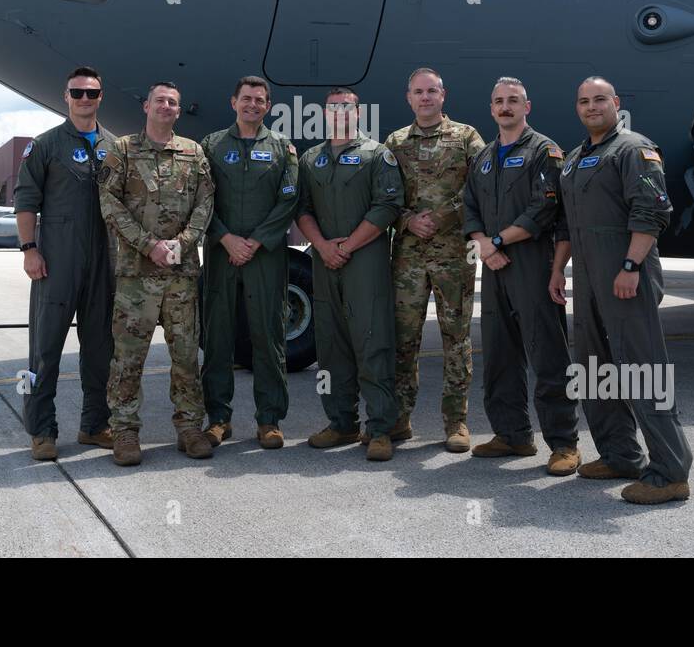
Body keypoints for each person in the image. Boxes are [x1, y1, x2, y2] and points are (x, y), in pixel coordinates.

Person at [551, 76, 693, 504]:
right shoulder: (575, 158)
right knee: (594, 368)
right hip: (589, 278)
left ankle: (670, 472)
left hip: (625, 271)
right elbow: (566, 223)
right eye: (583, 101)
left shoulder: (633, 149)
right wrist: (559, 270)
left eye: (599, 100)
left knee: (642, 368)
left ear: (616, 103)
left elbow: (652, 210)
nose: (591, 107)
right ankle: (619, 455)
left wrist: (631, 265)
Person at [463, 77, 581, 475]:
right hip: (494, 267)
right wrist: (483, 243)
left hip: (532, 263)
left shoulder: (543, 152)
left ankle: (564, 443)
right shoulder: (483, 157)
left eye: (513, 101)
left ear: (526, 107)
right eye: (499, 101)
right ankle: (512, 434)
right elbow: (468, 206)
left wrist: (495, 241)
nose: (505, 107)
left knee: (547, 354)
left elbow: (543, 210)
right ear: (491, 108)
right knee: (499, 354)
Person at [99, 81, 215, 466]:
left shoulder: (193, 152)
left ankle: (190, 428)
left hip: (181, 276)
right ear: (146, 106)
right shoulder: (123, 150)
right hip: (136, 276)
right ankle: (126, 431)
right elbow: (109, 203)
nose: (166, 107)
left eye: (173, 103)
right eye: (160, 101)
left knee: (185, 357)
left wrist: (181, 244)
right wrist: (149, 245)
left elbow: (205, 202)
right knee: (129, 358)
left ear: (179, 111)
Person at [296, 88, 404, 462]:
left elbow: (387, 206)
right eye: (333, 108)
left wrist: (346, 247)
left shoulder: (377, 155)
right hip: (325, 262)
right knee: (331, 347)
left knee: (373, 343)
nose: (340, 113)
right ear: (325, 114)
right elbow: (303, 209)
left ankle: (379, 429)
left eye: (347, 107)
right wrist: (323, 247)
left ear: (359, 113)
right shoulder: (311, 159)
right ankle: (341, 422)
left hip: (365, 264)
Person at [14, 66, 116, 462]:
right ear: (66, 96)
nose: (85, 99)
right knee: (44, 350)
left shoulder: (116, 146)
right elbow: (25, 202)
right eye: (78, 93)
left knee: (100, 349)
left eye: (92, 93)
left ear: (101, 97)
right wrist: (29, 249)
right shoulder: (46, 145)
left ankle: (95, 425)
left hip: (103, 263)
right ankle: (41, 430)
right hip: (56, 262)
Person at [383, 68, 486, 452]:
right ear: (408, 97)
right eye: (418, 92)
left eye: (432, 91)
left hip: (453, 255)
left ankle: (456, 421)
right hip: (408, 255)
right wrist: (408, 219)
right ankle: (399, 418)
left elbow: (481, 187)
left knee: (455, 338)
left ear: (443, 96)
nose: (425, 98)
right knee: (404, 340)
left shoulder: (466, 137)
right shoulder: (395, 141)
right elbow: (384, 195)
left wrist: (444, 216)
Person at [200, 76, 299, 450]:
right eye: (246, 99)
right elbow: (201, 198)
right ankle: (218, 420)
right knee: (217, 337)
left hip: (265, 257)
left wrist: (254, 241)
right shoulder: (212, 145)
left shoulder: (282, 149)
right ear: (233, 102)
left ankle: (269, 420)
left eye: (260, 100)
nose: (252, 105)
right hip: (221, 252)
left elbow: (288, 200)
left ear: (268, 106)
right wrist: (226, 237)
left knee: (269, 338)